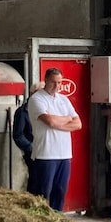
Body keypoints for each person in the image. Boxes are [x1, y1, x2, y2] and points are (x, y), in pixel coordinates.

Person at [28, 68, 82, 213]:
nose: (57, 86)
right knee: (43, 193)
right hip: (45, 154)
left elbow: (78, 124)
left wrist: (59, 123)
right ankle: (40, 220)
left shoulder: (64, 99)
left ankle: (57, 219)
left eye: (59, 82)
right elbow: (50, 121)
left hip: (64, 153)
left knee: (60, 191)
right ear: (45, 80)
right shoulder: (37, 99)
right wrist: (67, 119)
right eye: (53, 82)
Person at [11, 82, 42, 195]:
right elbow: (18, 135)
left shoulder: (46, 109)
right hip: (33, 153)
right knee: (35, 180)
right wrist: (31, 148)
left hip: (46, 151)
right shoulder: (22, 112)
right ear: (33, 93)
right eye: (41, 92)